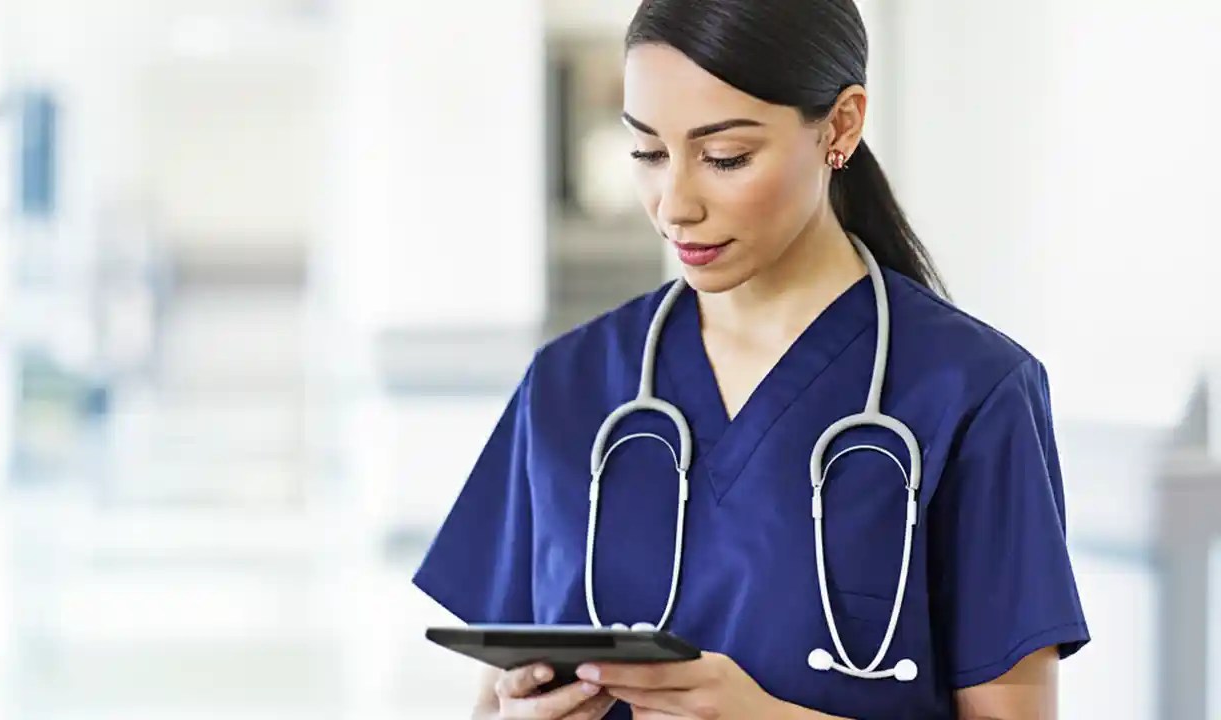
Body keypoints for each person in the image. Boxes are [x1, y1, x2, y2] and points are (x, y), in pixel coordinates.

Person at [411, 0, 1090, 717]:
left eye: (725, 157)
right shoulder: (568, 385)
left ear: (842, 125)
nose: (674, 203)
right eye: (646, 152)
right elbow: (490, 704)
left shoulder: (971, 391)